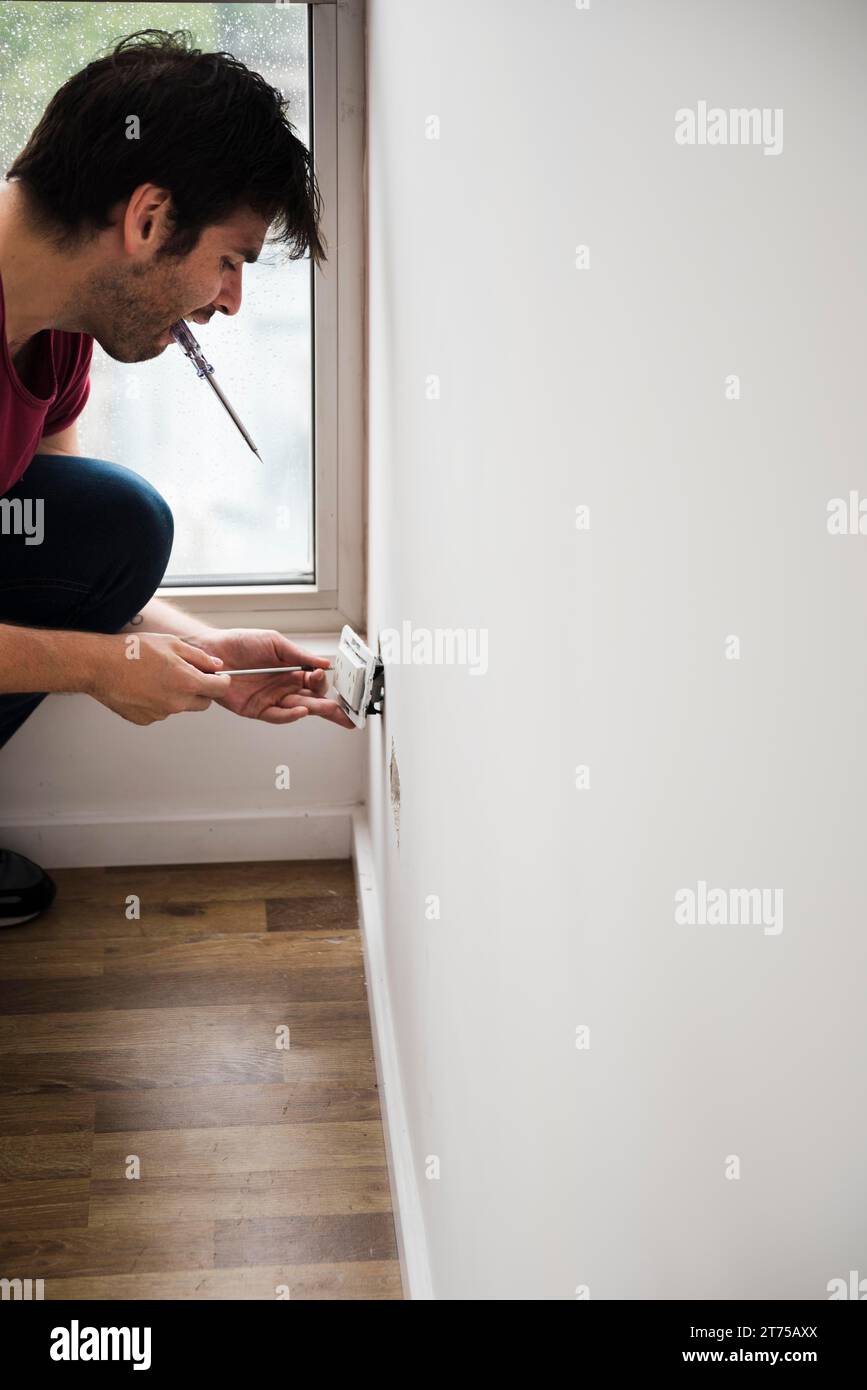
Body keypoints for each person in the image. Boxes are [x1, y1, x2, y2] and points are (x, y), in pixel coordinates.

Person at [0, 29, 355, 927]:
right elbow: (77, 638)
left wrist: (210, 659)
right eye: (231, 259)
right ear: (149, 218)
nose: (231, 302)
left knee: (113, 523)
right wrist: (98, 666)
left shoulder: (61, 336)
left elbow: (60, 584)